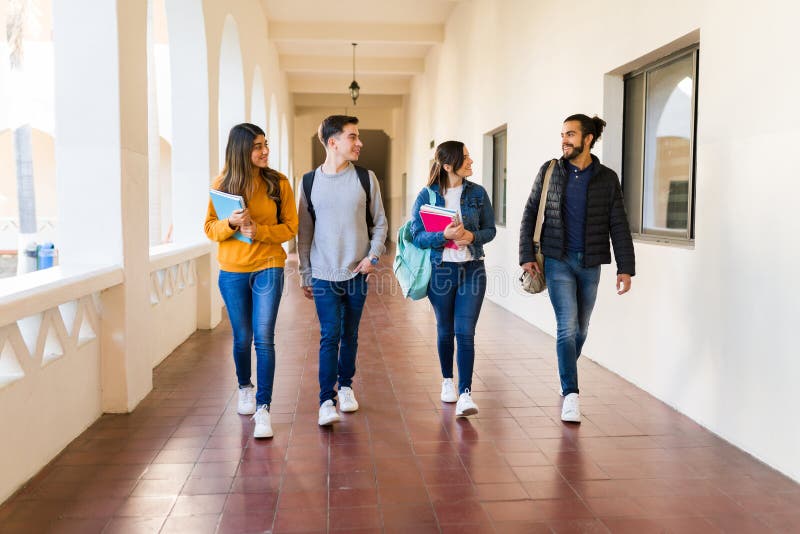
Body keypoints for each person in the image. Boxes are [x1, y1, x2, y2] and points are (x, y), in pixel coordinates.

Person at [519, 114, 635, 423]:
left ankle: (565, 371)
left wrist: (625, 267)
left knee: (581, 329)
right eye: (562, 135)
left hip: (591, 262)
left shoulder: (607, 178)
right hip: (557, 260)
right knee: (567, 326)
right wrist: (526, 254)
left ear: (588, 139)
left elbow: (618, 224)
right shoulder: (550, 171)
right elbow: (530, 212)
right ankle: (571, 393)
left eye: (570, 134)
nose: (564, 140)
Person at [204, 123, 298, 439]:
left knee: (264, 336)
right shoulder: (221, 185)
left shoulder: (278, 183)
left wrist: (261, 231)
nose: (265, 151)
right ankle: (245, 386)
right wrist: (230, 223)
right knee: (242, 337)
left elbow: (291, 227)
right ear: (241, 150)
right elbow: (209, 228)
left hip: (269, 265)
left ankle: (263, 408)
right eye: (258, 146)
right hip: (232, 271)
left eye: (265, 144)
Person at [297, 115, 388, 426]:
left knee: (350, 334)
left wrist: (372, 257)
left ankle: (346, 386)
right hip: (324, 273)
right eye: (353, 137)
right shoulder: (309, 182)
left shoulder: (366, 178)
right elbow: (304, 233)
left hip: (357, 272)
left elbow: (380, 223)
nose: (359, 142)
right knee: (329, 335)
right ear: (332, 142)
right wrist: (305, 273)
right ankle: (326, 400)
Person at [409, 141, 496, 417]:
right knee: (445, 329)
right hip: (441, 271)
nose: (471, 162)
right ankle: (448, 380)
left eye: (469, 157)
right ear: (448, 166)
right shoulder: (427, 196)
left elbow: (490, 229)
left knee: (465, 331)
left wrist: (472, 236)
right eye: (465, 158)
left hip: (473, 269)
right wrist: (443, 235)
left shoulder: (478, 193)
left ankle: (466, 393)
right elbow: (416, 236)